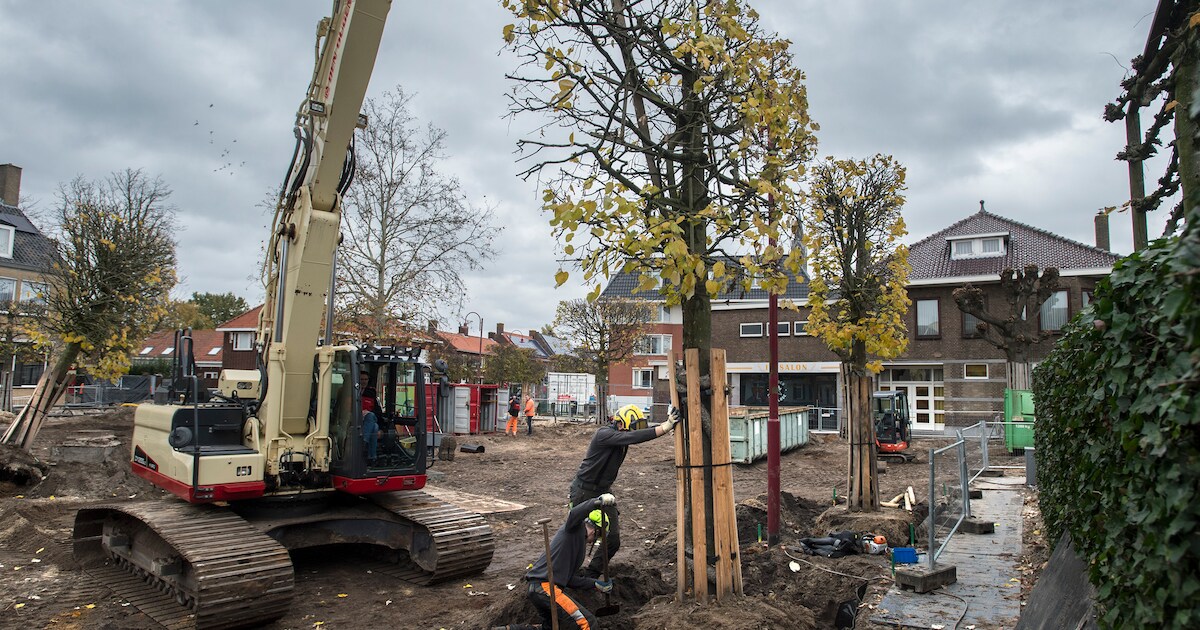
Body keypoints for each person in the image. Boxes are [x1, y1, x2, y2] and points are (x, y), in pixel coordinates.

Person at [569, 403, 680, 578]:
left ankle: (591, 576)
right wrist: (664, 428)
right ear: (620, 424)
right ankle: (568, 574)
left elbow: (637, 434)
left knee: (612, 539)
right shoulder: (604, 434)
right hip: (583, 491)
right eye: (631, 428)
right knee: (579, 536)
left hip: (604, 492)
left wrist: (669, 425)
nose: (632, 432)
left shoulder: (622, 435)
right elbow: (634, 437)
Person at [518, 494, 617, 630]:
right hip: (546, 587)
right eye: (599, 536)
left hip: (539, 589)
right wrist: (596, 502)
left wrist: (595, 584)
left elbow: (569, 579)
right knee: (588, 623)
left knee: (551, 627)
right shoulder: (575, 529)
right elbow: (575, 513)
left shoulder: (578, 543)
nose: (595, 540)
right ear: (596, 530)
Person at [362, 397, 380, 463]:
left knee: (375, 426)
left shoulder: (370, 394)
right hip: (357, 419)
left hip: (369, 420)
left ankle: (364, 441)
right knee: (375, 426)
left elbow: (378, 414)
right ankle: (372, 457)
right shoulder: (352, 391)